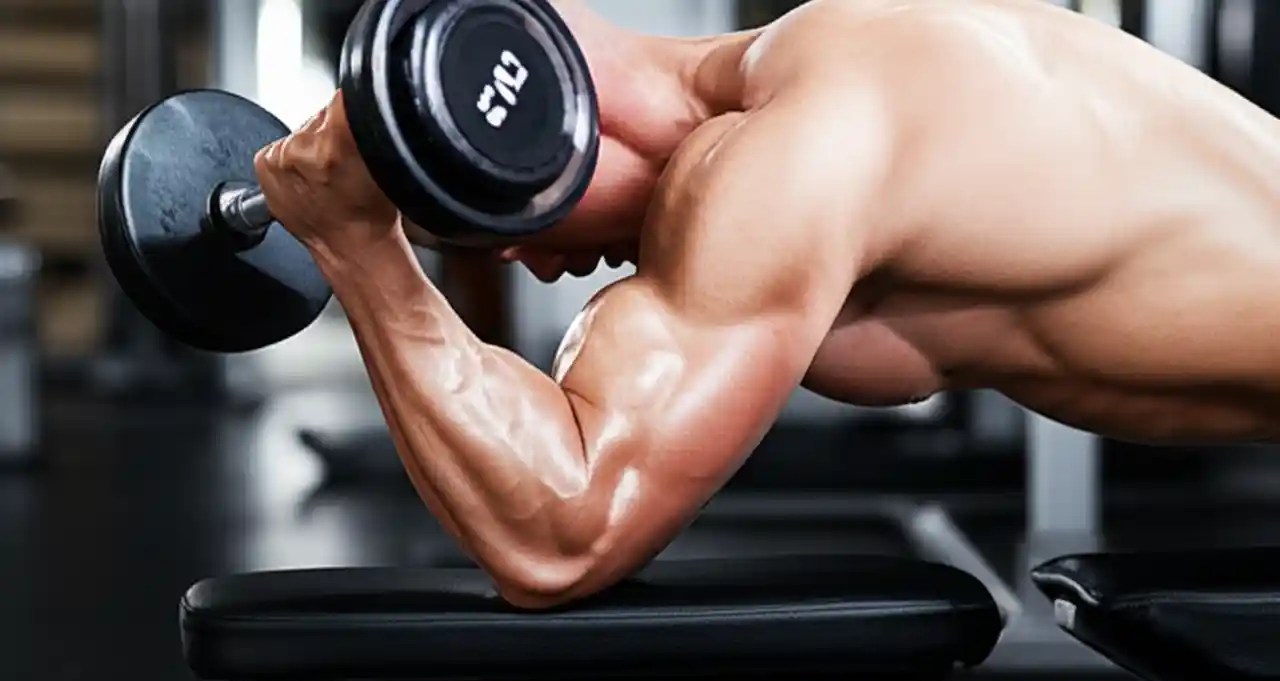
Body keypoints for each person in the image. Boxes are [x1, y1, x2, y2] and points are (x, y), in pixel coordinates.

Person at [254, 0, 1280, 608]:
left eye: (495, 215)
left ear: (546, 122)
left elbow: (562, 536)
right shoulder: (833, 51)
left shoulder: (780, 156)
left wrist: (362, 253)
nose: (525, 258)